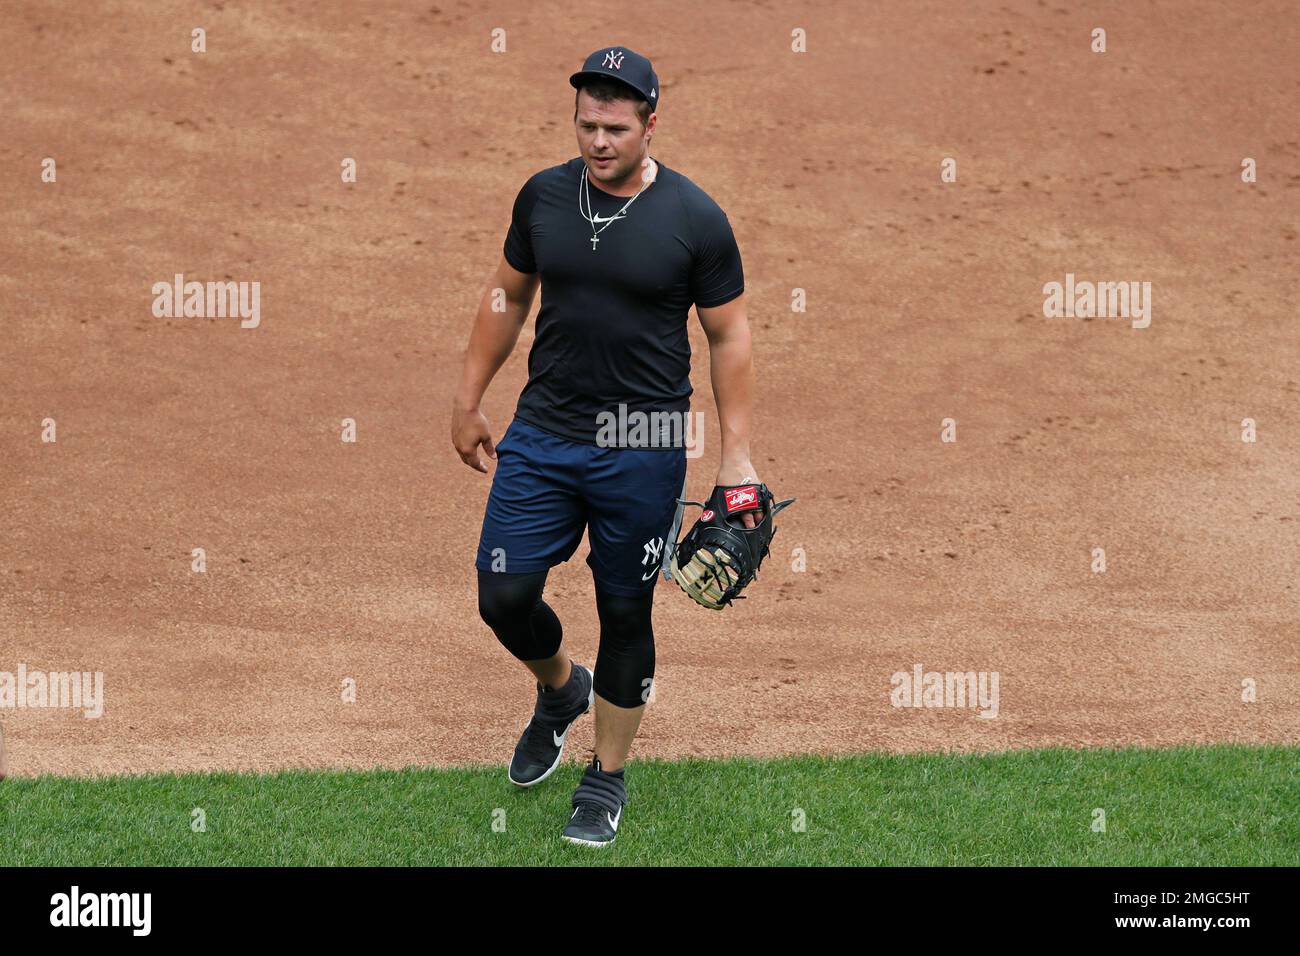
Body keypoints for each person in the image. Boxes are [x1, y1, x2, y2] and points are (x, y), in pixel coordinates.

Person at [451, 45, 763, 848]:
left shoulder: (695, 219)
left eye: (616, 128)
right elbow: (508, 293)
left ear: (650, 125)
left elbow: (728, 336)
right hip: (547, 428)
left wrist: (737, 458)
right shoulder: (544, 198)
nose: (598, 142)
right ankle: (561, 692)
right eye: (586, 124)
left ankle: (607, 774)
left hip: (643, 440)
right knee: (502, 596)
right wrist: (468, 397)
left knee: (625, 610)